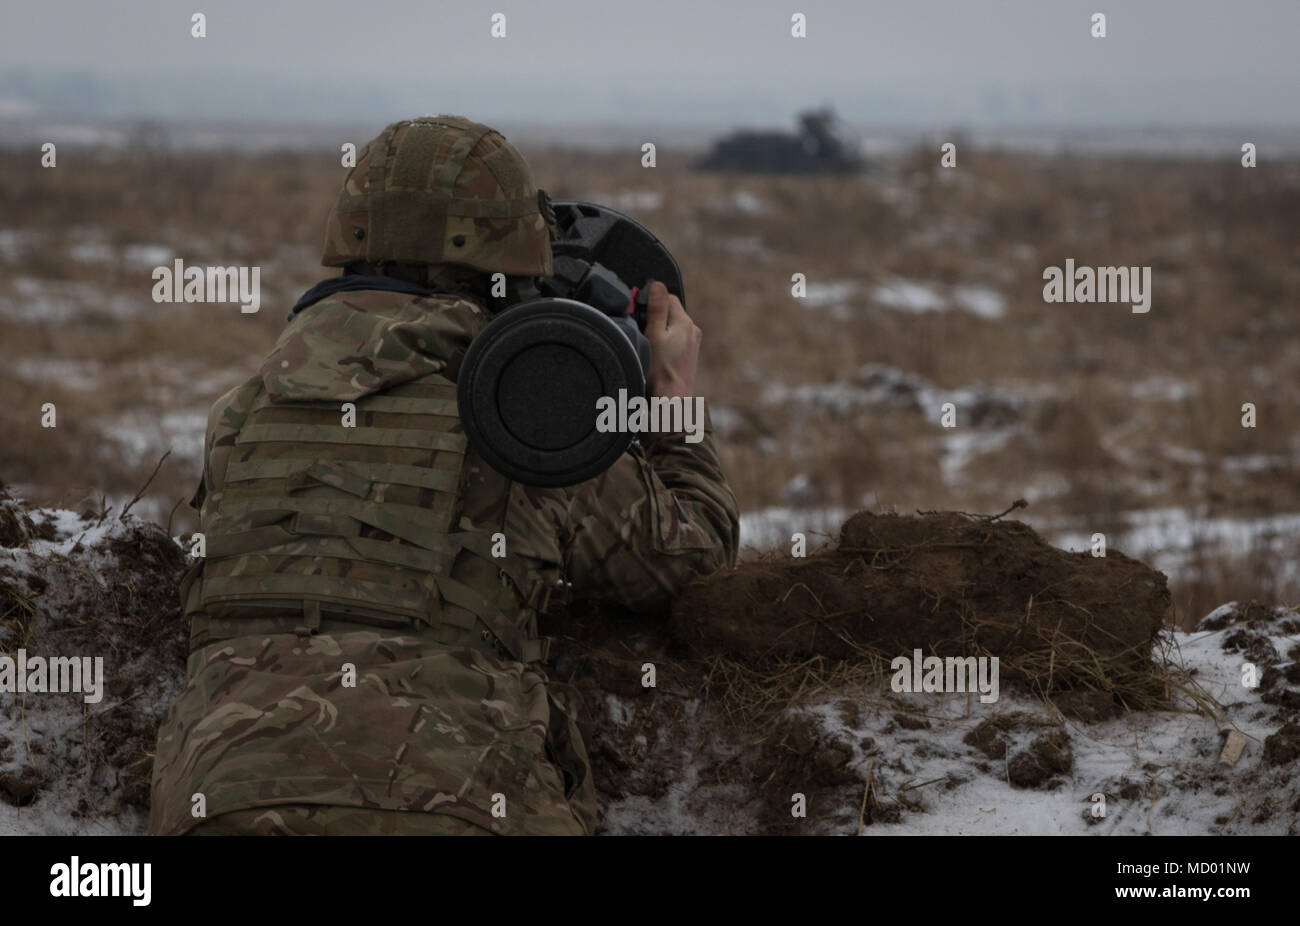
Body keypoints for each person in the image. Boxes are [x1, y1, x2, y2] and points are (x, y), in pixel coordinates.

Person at [147, 114, 739, 836]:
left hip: (220, 796)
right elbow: (694, 560)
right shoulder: (525, 418)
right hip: (461, 800)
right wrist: (671, 401)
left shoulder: (242, 413)